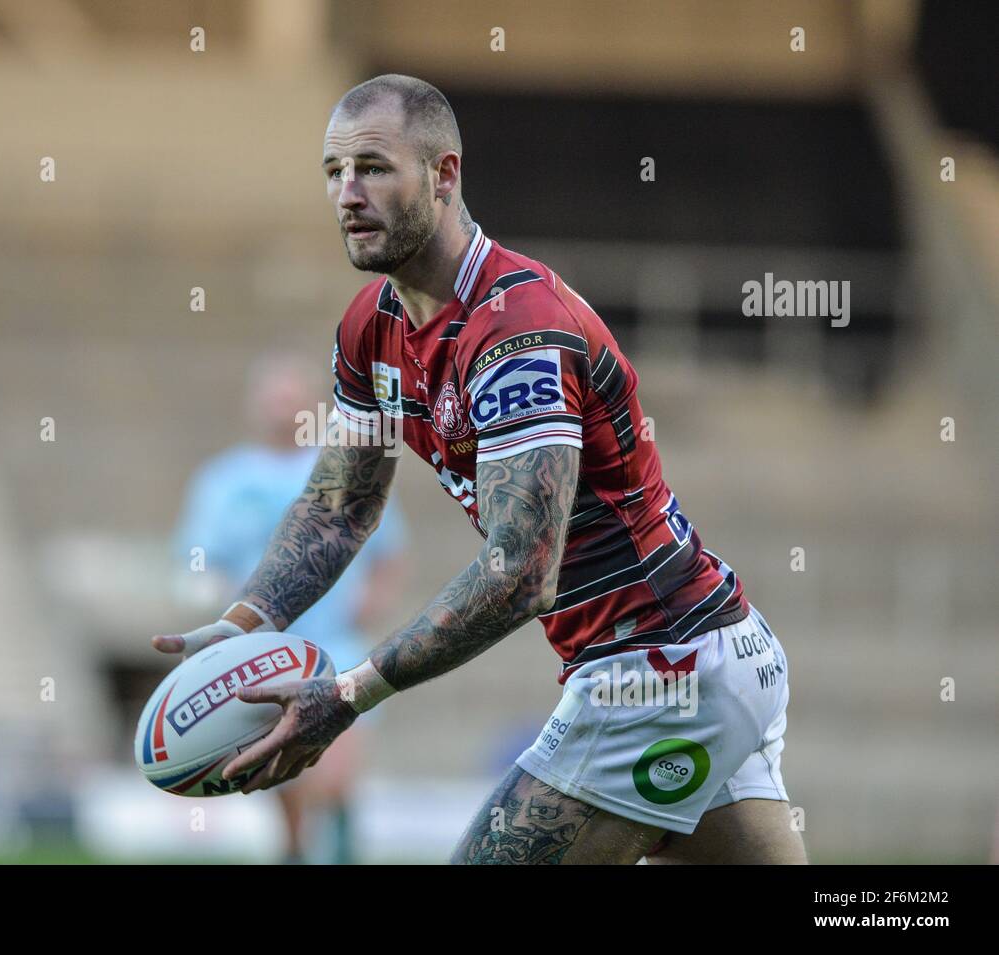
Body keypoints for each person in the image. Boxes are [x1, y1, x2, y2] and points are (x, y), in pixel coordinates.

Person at [153, 74, 805, 865]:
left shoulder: (516, 329)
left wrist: (353, 693)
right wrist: (243, 622)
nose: (348, 194)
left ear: (443, 174)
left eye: (373, 167)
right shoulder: (372, 328)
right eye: (334, 173)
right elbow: (339, 507)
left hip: (660, 666)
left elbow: (520, 571)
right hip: (702, 657)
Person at [170, 353, 408, 864]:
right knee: (289, 796)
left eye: (291, 399)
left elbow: (389, 552)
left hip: (335, 647)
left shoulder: (342, 468)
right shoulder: (225, 482)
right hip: (258, 656)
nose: (283, 410)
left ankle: (337, 844)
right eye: (274, 399)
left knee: (336, 771)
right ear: (255, 406)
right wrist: (209, 594)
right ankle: (303, 850)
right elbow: (196, 561)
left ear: (312, 404)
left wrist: (372, 600)